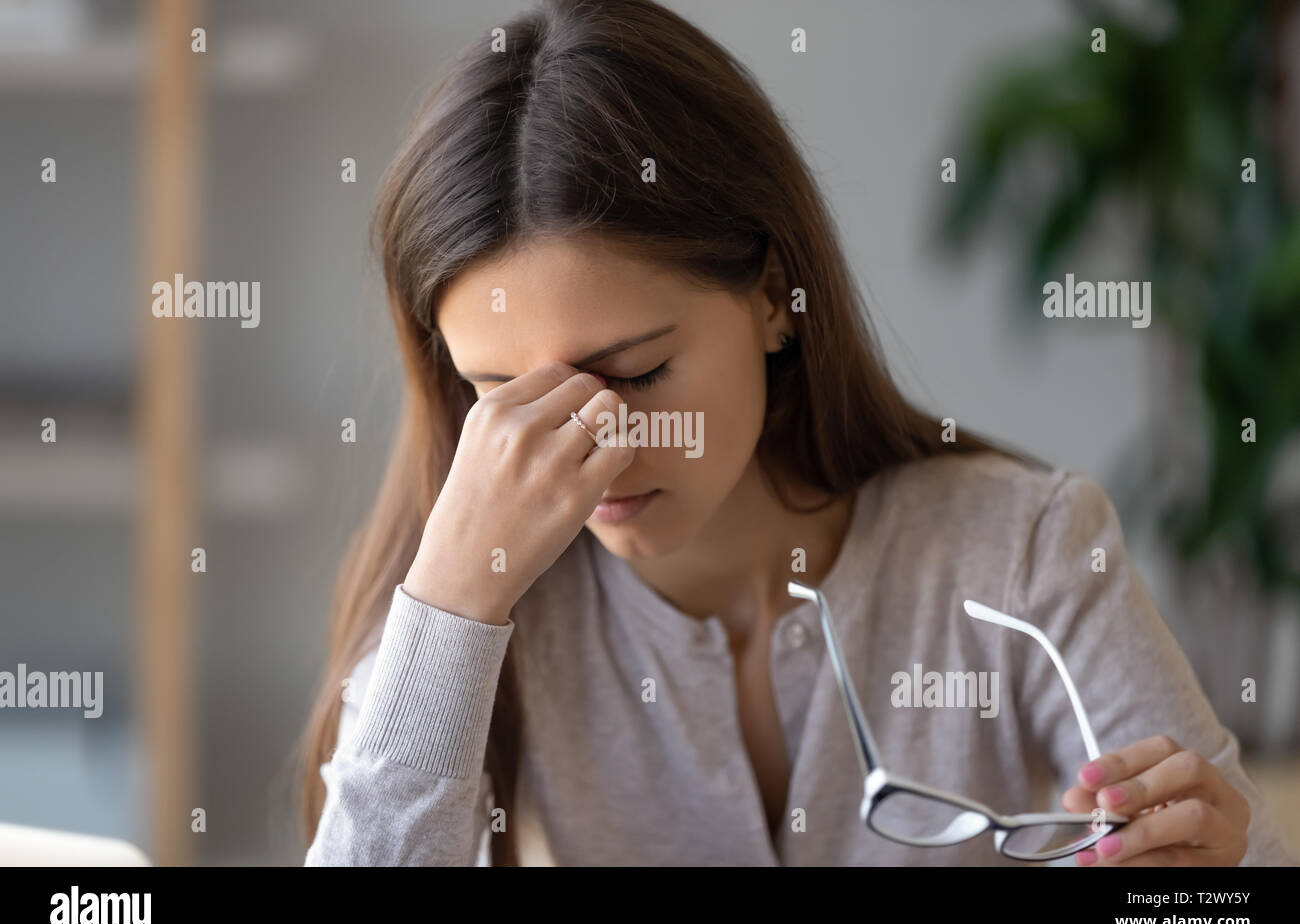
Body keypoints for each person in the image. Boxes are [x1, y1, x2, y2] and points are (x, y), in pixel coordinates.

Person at [298, 0, 1298, 866]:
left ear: (775, 297)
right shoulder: (478, 608)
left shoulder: (1021, 549)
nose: (585, 449)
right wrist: (451, 603)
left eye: (637, 373)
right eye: (501, 396)